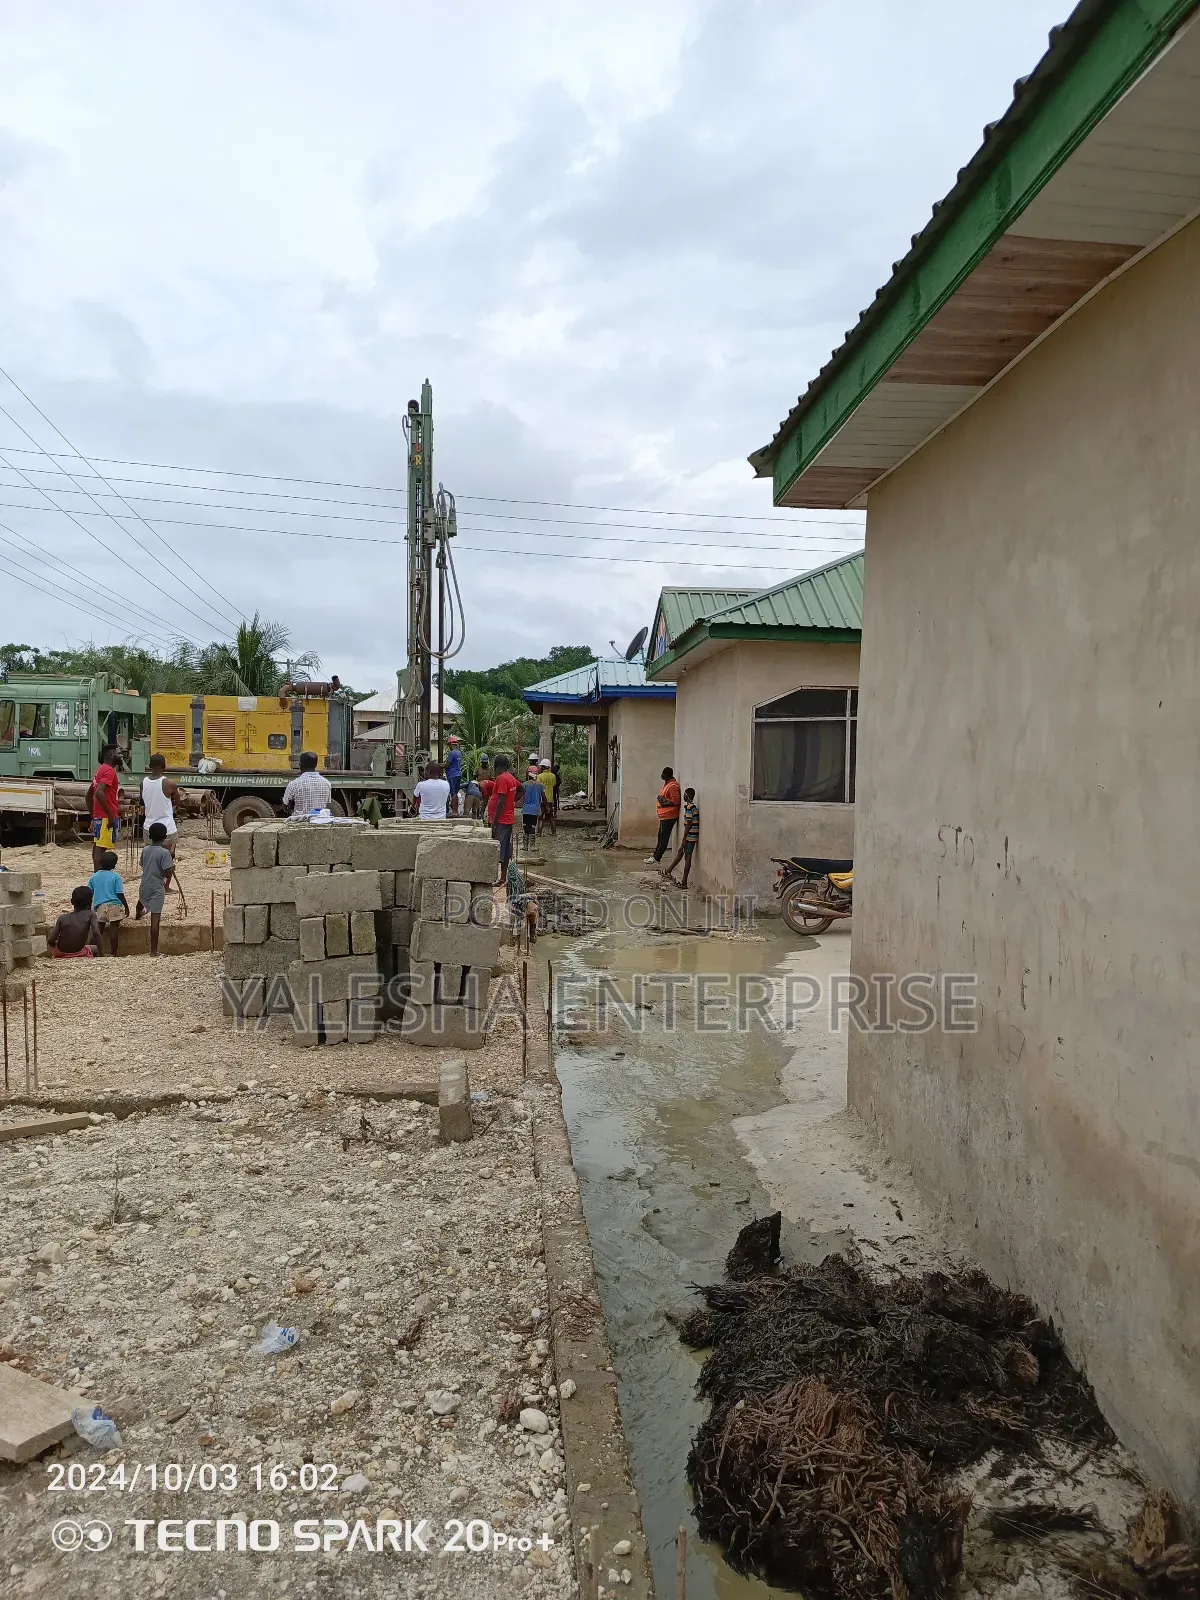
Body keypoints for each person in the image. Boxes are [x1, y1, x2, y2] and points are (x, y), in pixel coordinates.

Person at [135, 822, 175, 956]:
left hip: (145, 883)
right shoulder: (165, 852)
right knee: (155, 918)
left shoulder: (145, 850)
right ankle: (153, 951)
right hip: (157, 886)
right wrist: (172, 867)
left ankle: (137, 915)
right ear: (165, 837)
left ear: (150, 836)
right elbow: (167, 872)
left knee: (142, 899)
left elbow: (142, 864)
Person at [88, 850, 129, 956]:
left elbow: (89, 893)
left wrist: (88, 908)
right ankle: (113, 953)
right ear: (114, 865)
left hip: (100, 906)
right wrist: (126, 906)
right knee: (114, 930)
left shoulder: (93, 877)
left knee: (98, 930)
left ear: (100, 862)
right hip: (115, 905)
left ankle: (92, 952)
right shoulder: (116, 877)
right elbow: (120, 894)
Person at [486, 754, 519, 883]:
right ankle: (503, 877)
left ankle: (500, 878)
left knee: (499, 848)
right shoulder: (510, 778)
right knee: (504, 847)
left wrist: (494, 821)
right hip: (507, 818)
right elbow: (519, 790)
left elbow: (501, 800)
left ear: (496, 767)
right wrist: (512, 802)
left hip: (501, 820)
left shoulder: (501, 779)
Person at [141, 753, 180, 859]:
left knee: (151, 859)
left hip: (149, 828)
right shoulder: (169, 784)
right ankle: (166, 876)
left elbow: (144, 802)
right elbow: (177, 801)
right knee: (167, 860)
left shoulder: (143, 783)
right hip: (167, 828)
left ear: (149, 766)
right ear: (164, 766)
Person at [89, 746, 122, 869]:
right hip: (105, 817)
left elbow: (89, 794)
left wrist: (93, 816)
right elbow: (99, 792)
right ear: (111, 755)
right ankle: (98, 878)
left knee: (97, 847)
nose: (121, 755)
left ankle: (96, 876)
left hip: (99, 815)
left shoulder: (99, 770)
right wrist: (110, 815)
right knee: (100, 850)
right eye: (118, 752)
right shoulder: (109, 771)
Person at [47, 886, 102, 959]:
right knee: (95, 949)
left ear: (72, 901)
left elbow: (51, 941)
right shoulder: (90, 914)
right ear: (90, 903)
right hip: (78, 952)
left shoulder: (62, 918)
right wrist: (102, 953)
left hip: (59, 953)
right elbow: (96, 933)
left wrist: (55, 946)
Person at [662, 787, 699, 888]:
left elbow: (689, 824)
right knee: (681, 853)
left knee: (687, 857)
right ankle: (669, 871)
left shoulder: (689, 808)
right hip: (693, 835)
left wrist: (684, 839)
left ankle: (684, 882)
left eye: (684, 795)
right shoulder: (693, 807)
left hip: (690, 836)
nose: (682, 796)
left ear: (686, 796)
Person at [647, 765, 682, 864]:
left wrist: (662, 801)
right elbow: (662, 797)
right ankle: (655, 856)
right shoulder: (667, 784)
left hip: (669, 815)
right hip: (664, 816)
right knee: (660, 836)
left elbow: (675, 801)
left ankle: (657, 857)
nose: (661, 775)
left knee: (664, 837)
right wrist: (661, 799)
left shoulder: (673, 786)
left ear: (667, 775)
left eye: (663, 773)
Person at [282, 751, 332, 816]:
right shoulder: (327, 783)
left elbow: (285, 807)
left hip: (299, 822)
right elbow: (327, 803)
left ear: (300, 764)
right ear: (316, 764)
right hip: (318, 822)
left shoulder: (294, 784)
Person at [520, 765, 543, 846]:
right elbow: (544, 797)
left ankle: (525, 846)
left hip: (526, 809)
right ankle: (532, 846)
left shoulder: (524, 784)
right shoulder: (540, 785)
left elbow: (522, 797)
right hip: (535, 810)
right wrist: (547, 807)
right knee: (533, 826)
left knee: (525, 826)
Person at [537, 757, 557, 836]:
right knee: (551, 817)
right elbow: (554, 785)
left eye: (541, 766)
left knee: (541, 817)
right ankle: (554, 832)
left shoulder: (540, 776)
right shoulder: (553, 776)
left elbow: (538, 787)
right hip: (550, 799)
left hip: (542, 799)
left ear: (543, 767)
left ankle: (539, 833)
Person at [445, 735, 463, 816]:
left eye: (449, 745)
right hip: (458, 774)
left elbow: (447, 765)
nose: (449, 747)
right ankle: (456, 811)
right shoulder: (459, 753)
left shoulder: (452, 753)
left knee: (453, 793)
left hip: (452, 775)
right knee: (455, 792)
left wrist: (439, 765)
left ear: (452, 744)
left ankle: (454, 812)